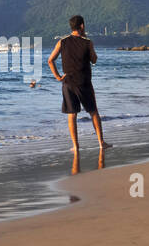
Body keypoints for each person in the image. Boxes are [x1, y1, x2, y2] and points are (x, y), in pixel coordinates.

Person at [47, 15, 111, 155]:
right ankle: (101, 143)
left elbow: (50, 60)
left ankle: (75, 146)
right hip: (84, 83)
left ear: (71, 26)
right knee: (93, 112)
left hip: (68, 83)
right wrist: (89, 46)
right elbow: (94, 60)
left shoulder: (62, 42)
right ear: (82, 26)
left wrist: (58, 77)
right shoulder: (87, 42)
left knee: (72, 115)